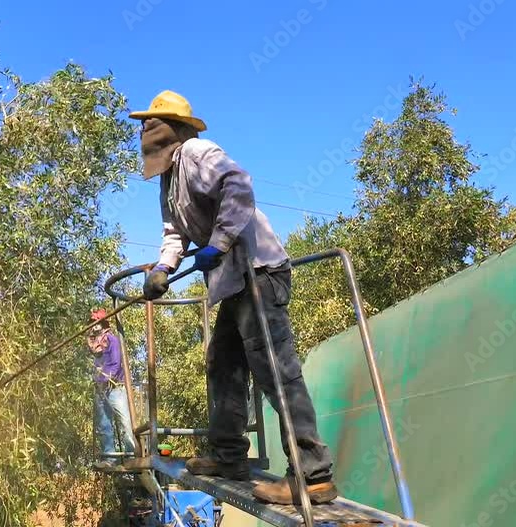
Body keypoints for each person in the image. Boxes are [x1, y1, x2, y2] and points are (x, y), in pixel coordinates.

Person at [128, 90, 338, 504]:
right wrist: (163, 269)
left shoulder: (197, 151)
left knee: (275, 370)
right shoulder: (169, 179)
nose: (144, 130)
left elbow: (238, 184)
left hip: (258, 271)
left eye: (151, 122)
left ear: (172, 127)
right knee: (222, 364)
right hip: (234, 282)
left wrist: (220, 241)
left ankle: (313, 475)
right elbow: (174, 233)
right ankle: (229, 457)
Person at [86, 308, 136, 469]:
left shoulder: (112, 340)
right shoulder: (95, 342)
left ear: (103, 324)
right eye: (92, 323)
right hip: (101, 389)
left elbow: (115, 363)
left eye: (96, 323)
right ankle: (109, 457)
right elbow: (95, 359)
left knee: (126, 422)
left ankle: (132, 456)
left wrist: (106, 377)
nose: (93, 327)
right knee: (104, 424)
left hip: (115, 389)